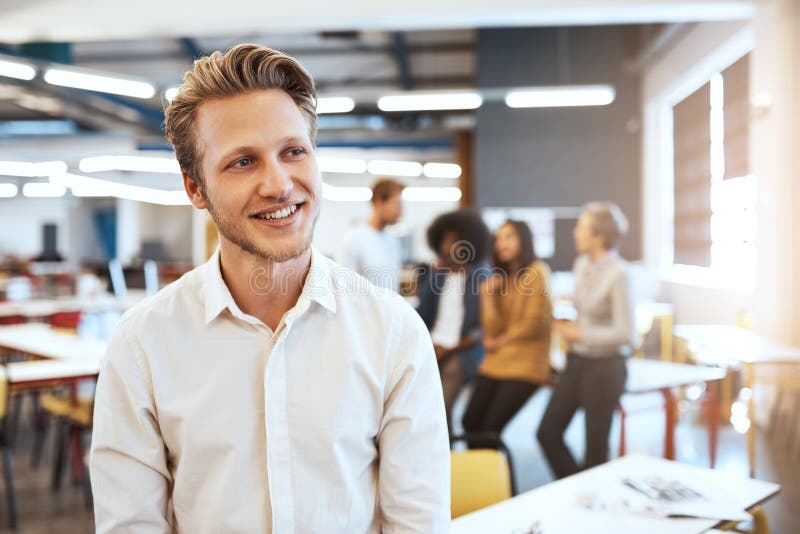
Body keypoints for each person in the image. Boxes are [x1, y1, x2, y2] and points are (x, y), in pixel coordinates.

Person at [90, 44, 450, 533]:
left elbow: (417, 524)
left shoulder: (393, 334)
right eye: (242, 162)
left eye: (293, 151)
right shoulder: (142, 347)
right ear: (195, 187)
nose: (279, 184)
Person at [536, 202, 635, 479]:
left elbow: (627, 334)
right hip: (577, 360)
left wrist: (580, 333)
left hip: (606, 367)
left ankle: (591, 500)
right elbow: (586, 309)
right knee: (548, 432)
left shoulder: (620, 274)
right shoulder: (582, 265)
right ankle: (576, 486)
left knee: (595, 451)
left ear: (599, 237)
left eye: (581, 227)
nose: (574, 232)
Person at [462, 220, 552, 446]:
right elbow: (492, 328)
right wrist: (486, 296)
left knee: (489, 429)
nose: (502, 243)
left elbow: (534, 323)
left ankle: (494, 479)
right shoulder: (502, 278)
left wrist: (499, 340)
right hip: (497, 360)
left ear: (524, 238)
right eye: (499, 238)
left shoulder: (537, 271)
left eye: (509, 236)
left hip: (526, 363)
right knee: (470, 421)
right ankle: (481, 476)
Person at [416, 210, 491, 429]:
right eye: (445, 240)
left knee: (442, 405)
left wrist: (450, 348)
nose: (447, 246)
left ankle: (447, 457)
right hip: (432, 346)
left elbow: (482, 329)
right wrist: (430, 345)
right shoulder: (435, 277)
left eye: (454, 240)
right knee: (422, 406)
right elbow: (421, 317)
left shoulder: (481, 278)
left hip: (463, 351)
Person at [338, 178, 404, 291]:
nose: (401, 211)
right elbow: (343, 287)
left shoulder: (392, 240)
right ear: (378, 202)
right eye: (396, 204)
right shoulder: (354, 239)